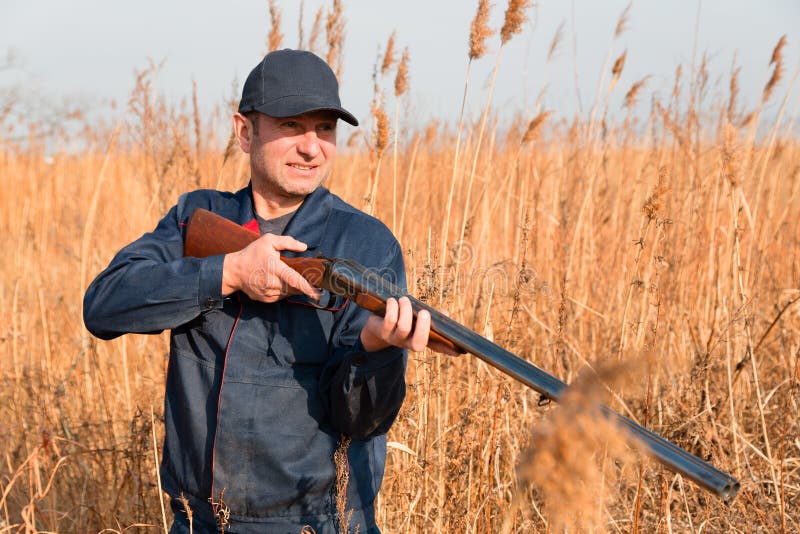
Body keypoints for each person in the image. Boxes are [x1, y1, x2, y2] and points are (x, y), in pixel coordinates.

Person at [83, 49, 455, 533]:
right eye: (291, 125)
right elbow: (104, 305)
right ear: (244, 131)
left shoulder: (365, 243)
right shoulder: (197, 218)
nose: (311, 147)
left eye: (325, 129)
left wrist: (374, 350)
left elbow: (361, 422)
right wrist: (228, 272)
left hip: (316, 523)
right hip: (198, 521)